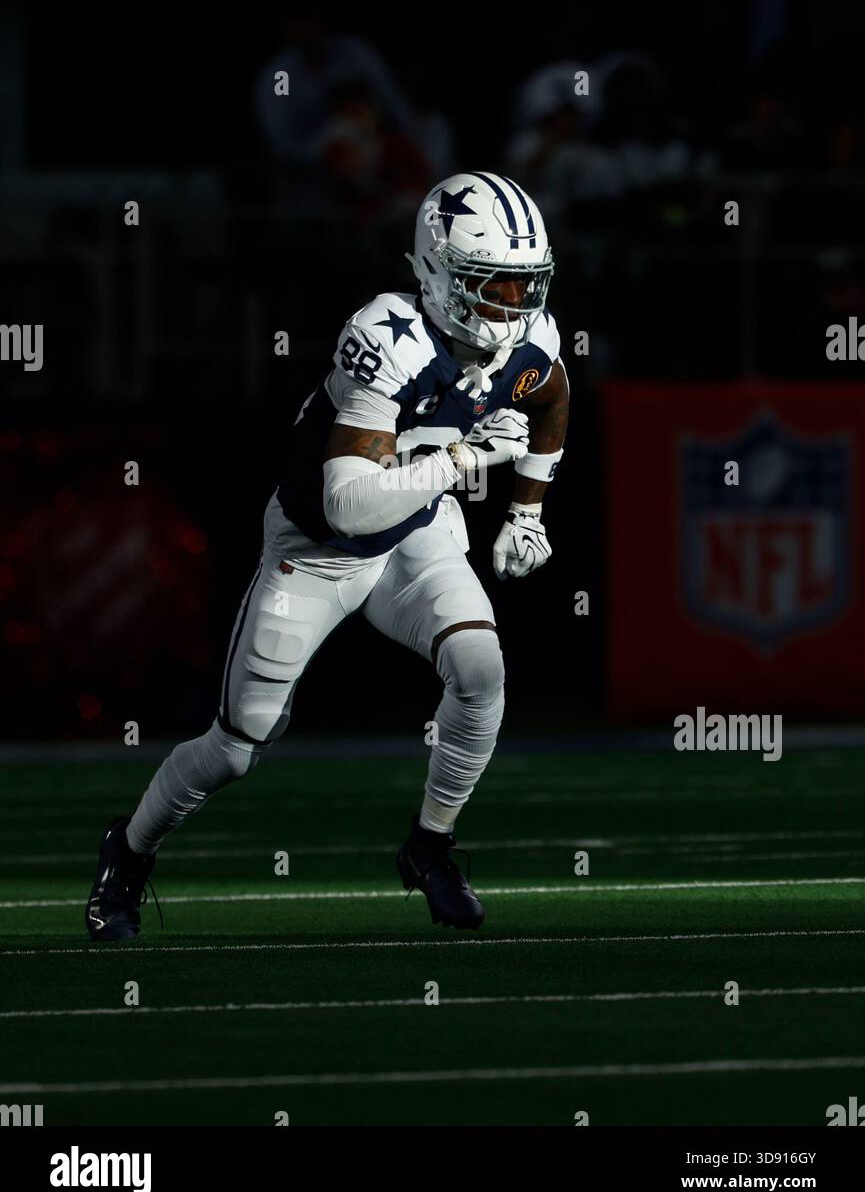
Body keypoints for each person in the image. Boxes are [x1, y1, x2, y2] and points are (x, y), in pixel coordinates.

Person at [85, 172, 569, 940]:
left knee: (481, 671)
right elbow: (348, 505)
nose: (515, 306)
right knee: (238, 745)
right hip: (315, 550)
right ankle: (130, 850)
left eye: (526, 285)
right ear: (440, 270)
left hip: (413, 534)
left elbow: (551, 397)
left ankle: (431, 845)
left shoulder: (530, 339)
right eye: (495, 285)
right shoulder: (387, 337)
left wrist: (528, 512)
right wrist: (464, 459)